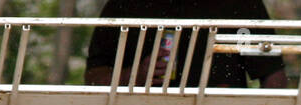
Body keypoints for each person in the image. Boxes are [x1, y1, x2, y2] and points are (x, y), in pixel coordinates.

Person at [85, 0, 288, 89]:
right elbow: (93, 79)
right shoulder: (126, 6)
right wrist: (136, 75)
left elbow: (273, 78)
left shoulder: (240, 5)